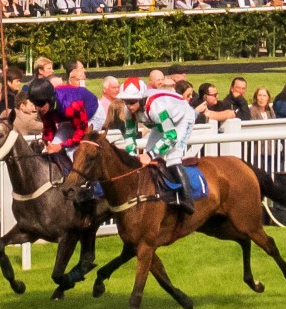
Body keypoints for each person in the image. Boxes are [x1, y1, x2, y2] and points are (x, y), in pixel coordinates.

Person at [118, 77, 198, 214]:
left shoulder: (156, 107)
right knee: (151, 158)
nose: (129, 106)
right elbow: (130, 135)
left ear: (141, 98)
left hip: (182, 119)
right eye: (126, 102)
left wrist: (149, 155)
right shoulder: (128, 111)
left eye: (132, 102)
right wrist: (131, 156)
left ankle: (187, 199)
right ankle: (159, 193)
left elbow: (171, 137)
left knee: (173, 157)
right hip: (159, 124)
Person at [21, 77, 99, 168]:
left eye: (40, 105)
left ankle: (93, 182)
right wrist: (46, 142)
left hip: (92, 115)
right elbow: (49, 127)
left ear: (50, 100)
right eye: (35, 104)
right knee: (53, 146)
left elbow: (80, 133)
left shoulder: (72, 106)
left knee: (73, 152)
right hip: (70, 118)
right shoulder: (44, 106)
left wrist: (61, 146)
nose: (37, 109)